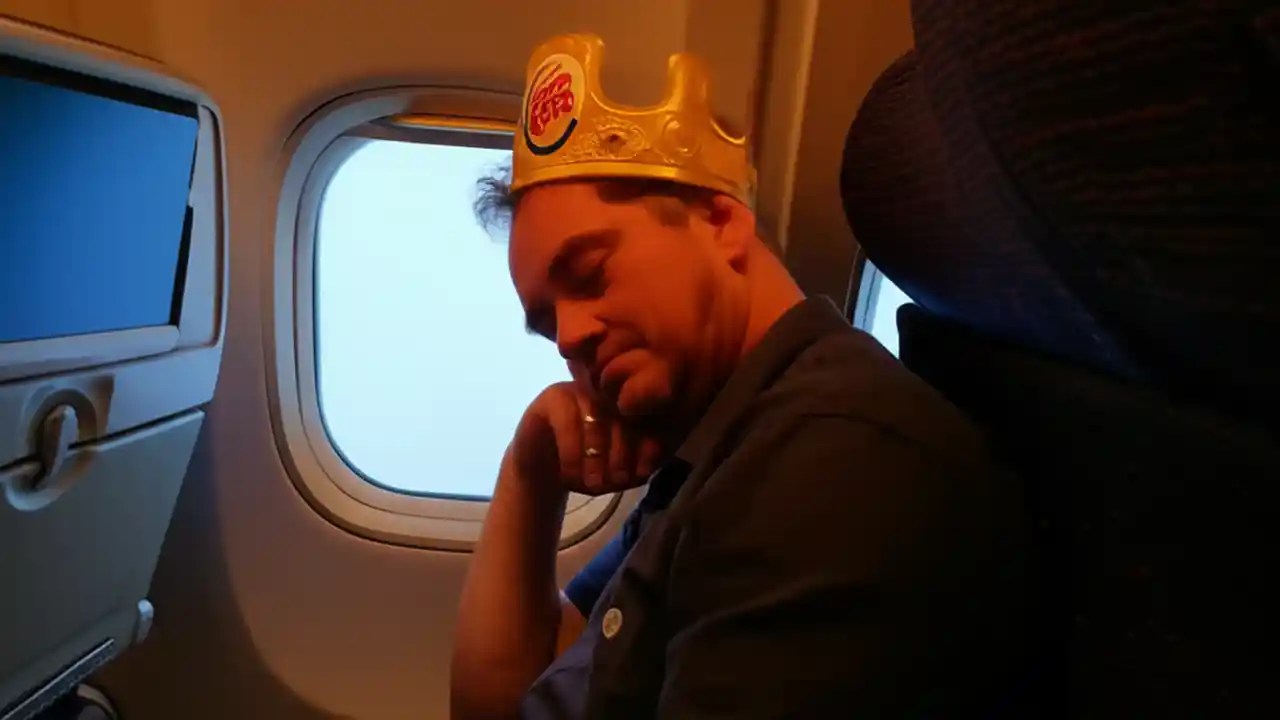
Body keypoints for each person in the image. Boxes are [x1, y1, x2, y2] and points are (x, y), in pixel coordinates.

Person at [450, 33, 1027, 720]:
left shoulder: (827, 465)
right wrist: (531, 471)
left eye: (591, 274)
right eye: (549, 325)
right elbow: (504, 699)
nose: (569, 336)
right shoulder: (716, 450)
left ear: (722, 220)